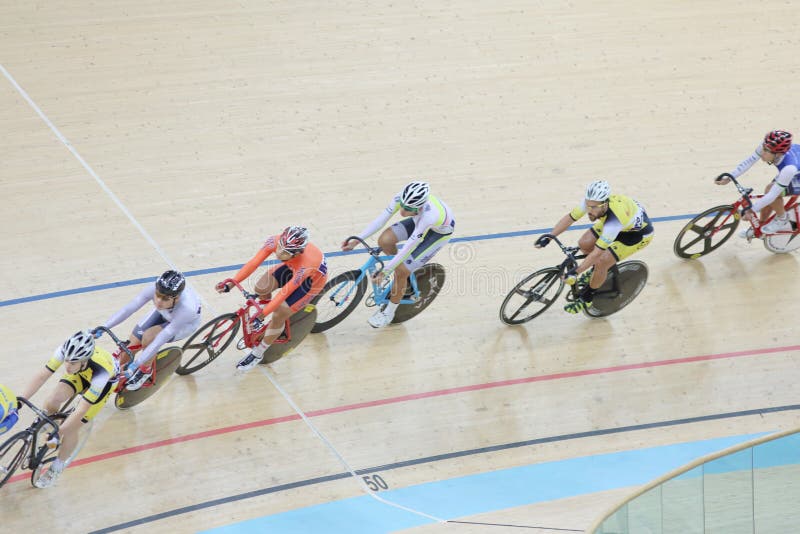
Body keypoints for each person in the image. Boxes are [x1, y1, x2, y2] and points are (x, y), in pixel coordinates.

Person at [341, 181, 456, 328]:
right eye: (402, 205)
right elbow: (380, 220)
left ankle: (388, 313)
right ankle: (401, 279)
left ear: (419, 207)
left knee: (401, 271)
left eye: (408, 209)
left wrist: (386, 271)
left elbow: (409, 246)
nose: (402, 211)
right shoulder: (402, 197)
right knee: (385, 240)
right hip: (418, 221)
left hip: (438, 234)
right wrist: (356, 241)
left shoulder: (429, 216)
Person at [216, 226, 328, 371]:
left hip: (310, 282)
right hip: (292, 267)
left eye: (285, 252)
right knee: (261, 287)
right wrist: (231, 283)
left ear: (296, 254)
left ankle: (258, 353)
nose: (279, 253)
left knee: (279, 313)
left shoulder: (305, 266)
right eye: (280, 248)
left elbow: (284, 293)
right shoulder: (274, 241)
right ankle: (264, 327)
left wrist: (262, 315)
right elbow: (254, 263)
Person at [535, 180, 654, 314]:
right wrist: (550, 236)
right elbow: (570, 218)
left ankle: (587, 297)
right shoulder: (593, 203)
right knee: (584, 243)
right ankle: (594, 272)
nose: (589, 211)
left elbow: (597, 253)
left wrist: (576, 272)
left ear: (605, 204)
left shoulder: (613, 222)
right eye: (588, 206)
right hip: (625, 222)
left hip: (636, 236)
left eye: (593, 207)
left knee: (601, 261)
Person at [18, 331, 118, 488]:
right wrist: (20, 401)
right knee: (53, 400)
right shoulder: (65, 351)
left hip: (103, 384)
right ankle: (50, 425)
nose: (67, 366)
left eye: (72, 363)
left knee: (72, 427)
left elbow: (82, 408)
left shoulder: (101, 373)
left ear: (84, 361)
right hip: (80, 375)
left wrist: (60, 432)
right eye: (66, 361)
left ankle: (57, 466)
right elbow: (42, 376)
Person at [100, 270, 201, 390]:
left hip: (183, 324)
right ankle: (115, 378)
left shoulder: (187, 309)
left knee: (149, 338)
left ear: (177, 298)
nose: (158, 301)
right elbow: (129, 308)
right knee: (130, 346)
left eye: (165, 298)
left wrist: (138, 364)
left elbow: (160, 340)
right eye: (157, 295)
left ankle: (146, 370)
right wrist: (104, 327)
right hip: (164, 312)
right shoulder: (155, 289)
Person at [715, 130, 800, 239]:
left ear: (778, 154)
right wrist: (730, 177)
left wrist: (751, 210)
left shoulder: (789, 168)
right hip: (794, 171)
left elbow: (772, 195)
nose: (762, 152)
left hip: (794, 173)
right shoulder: (769, 146)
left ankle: (782, 218)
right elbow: (749, 161)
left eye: (766, 151)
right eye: (764, 148)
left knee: (770, 191)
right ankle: (760, 227)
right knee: (769, 195)